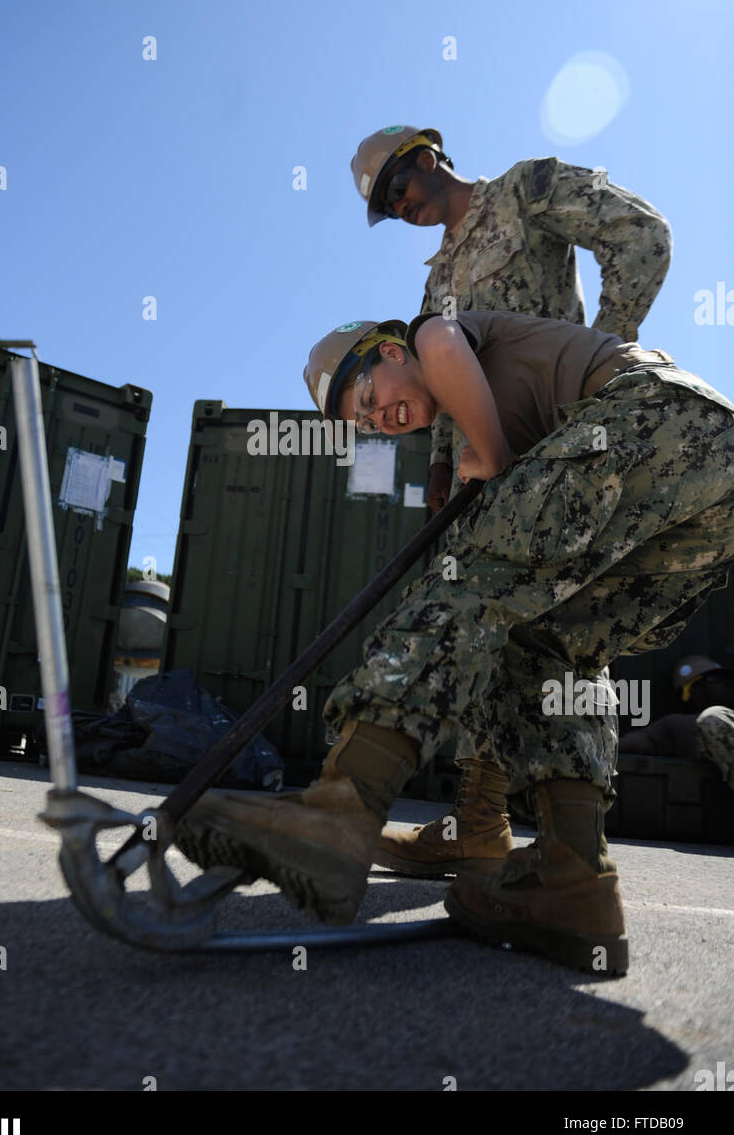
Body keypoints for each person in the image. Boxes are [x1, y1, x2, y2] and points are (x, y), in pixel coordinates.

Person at [176, 310, 734, 974]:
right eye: (361, 422)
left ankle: (337, 815)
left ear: (387, 349)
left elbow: (440, 341)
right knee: (549, 649)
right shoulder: (492, 410)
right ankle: (572, 882)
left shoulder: (434, 335)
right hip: (712, 495)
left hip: (659, 419)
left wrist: (490, 457)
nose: (374, 419)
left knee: (462, 583)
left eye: (365, 398)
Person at [350, 125, 673, 878]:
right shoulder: (434, 283)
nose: (400, 208)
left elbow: (640, 235)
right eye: (388, 208)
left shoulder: (526, 190)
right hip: (490, 471)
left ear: (426, 158)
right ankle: (479, 824)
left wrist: (603, 362)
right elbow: (440, 369)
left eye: (398, 190)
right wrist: (437, 465)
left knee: (562, 634)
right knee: (488, 634)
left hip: (565, 446)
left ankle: (574, 856)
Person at [619, 655, 734, 792]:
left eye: (727, 678)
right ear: (694, 690)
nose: (727, 683)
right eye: (716, 678)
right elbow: (636, 742)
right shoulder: (678, 724)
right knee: (713, 717)